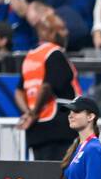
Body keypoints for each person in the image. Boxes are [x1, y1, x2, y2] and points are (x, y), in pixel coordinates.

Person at [16, 12, 81, 161]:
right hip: (58, 128)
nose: (66, 33)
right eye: (62, 29)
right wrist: (34, 113)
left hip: (37, 131)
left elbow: (18, 91)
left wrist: (28, 113)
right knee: (61, 178)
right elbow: (47, 86)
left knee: (42, 177)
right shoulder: (55, 53)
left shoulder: (30, 56)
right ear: (51, 32)